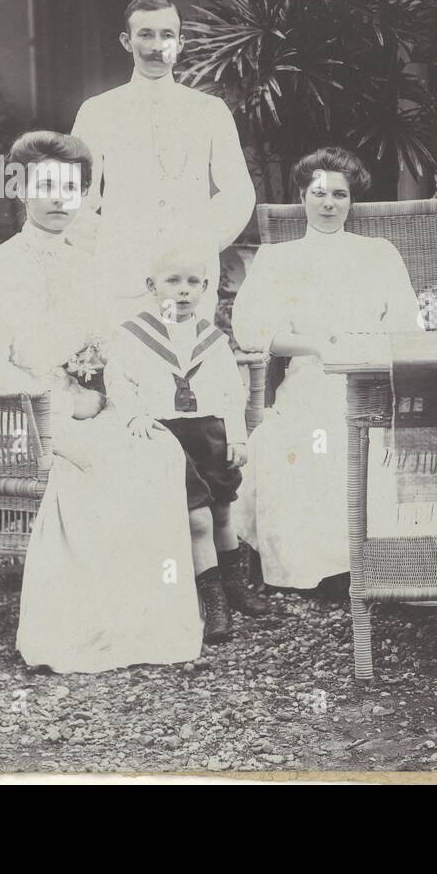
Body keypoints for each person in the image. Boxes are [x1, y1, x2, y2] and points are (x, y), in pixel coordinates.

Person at [0, 131, 201, 673]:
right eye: (47, 185)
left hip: (85, 405)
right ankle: (80, 631)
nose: (60, 199)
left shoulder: (89, 270)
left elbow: (110, 349)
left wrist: (113, 398)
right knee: (97, 462)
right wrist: (60, 407)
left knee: (157, 450)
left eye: (72, 187)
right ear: (19, 187)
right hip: (16, 414)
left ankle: (141, 626)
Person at [229, 147, 425, 594]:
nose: (329, 203)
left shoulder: (378, 253)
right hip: (310, 376)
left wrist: (367, 354)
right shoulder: (278, 258)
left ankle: (367, 562)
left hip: (371, 375)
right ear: (303, 196)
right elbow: (255, 332)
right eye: (319, 193)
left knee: (367, 433)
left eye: (339, 194)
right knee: (304, 434)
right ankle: (315, 566)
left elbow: (406, 325)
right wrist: (319, 346)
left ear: (351, 200)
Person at [105, 244, 269, 646]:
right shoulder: (134, 335)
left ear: (205, 287)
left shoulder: (211, 338)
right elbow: (118, 381)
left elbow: (232, 391)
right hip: (167, 435)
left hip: (209, 431)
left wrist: (237, 434)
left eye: (192, 282)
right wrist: (135, 415)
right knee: (197, 518)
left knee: (223, 511)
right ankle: (213, 602)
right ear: (151, 285)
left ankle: (234, 585)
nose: (182, 291)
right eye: (172, 281)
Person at [70, 0, 255, 327]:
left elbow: (238, 194)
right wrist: (112, 247)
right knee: (127, 368)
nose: (157, 46)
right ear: (126, 41)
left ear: (181, 43)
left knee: (185, 367)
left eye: (167, 35)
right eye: (145, 34)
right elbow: (75, 199)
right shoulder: (97, 112)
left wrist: (199, 243)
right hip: (122, 277)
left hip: (189, 277)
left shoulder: (209, 112)